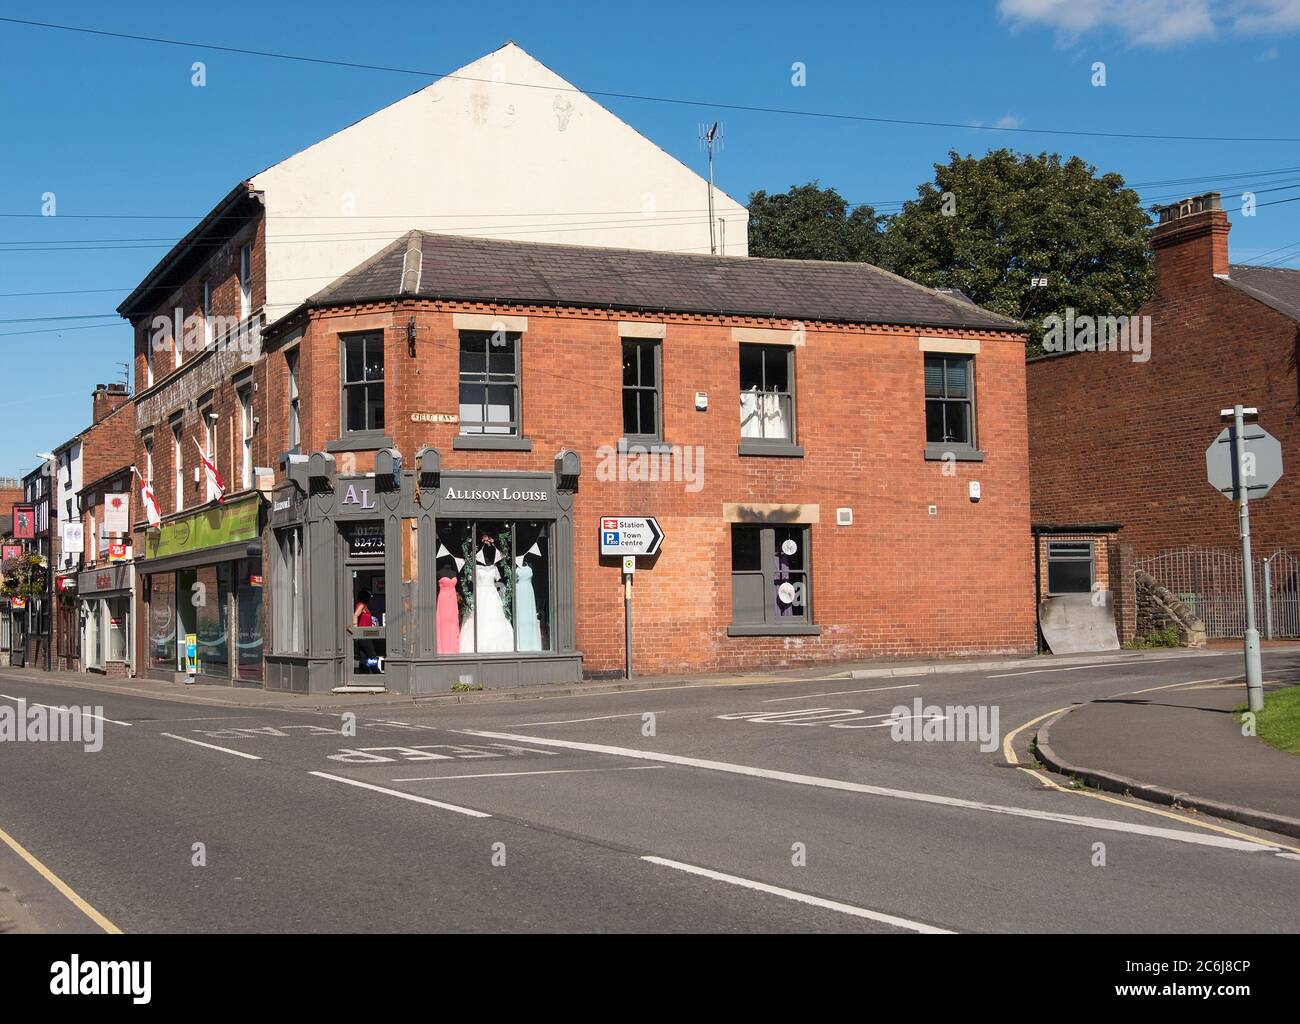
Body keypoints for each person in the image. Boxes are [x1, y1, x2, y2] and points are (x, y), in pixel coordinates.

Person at [353, 589, 380, 672]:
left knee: (363, 656)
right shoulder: (361, 605)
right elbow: (355, 615)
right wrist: (355, 628)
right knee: (372, 655)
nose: (370, 598)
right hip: (363, 634)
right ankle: (376, 672)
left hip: (365, 634)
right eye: (369, 596)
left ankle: (363, 673)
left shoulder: (363, 605)